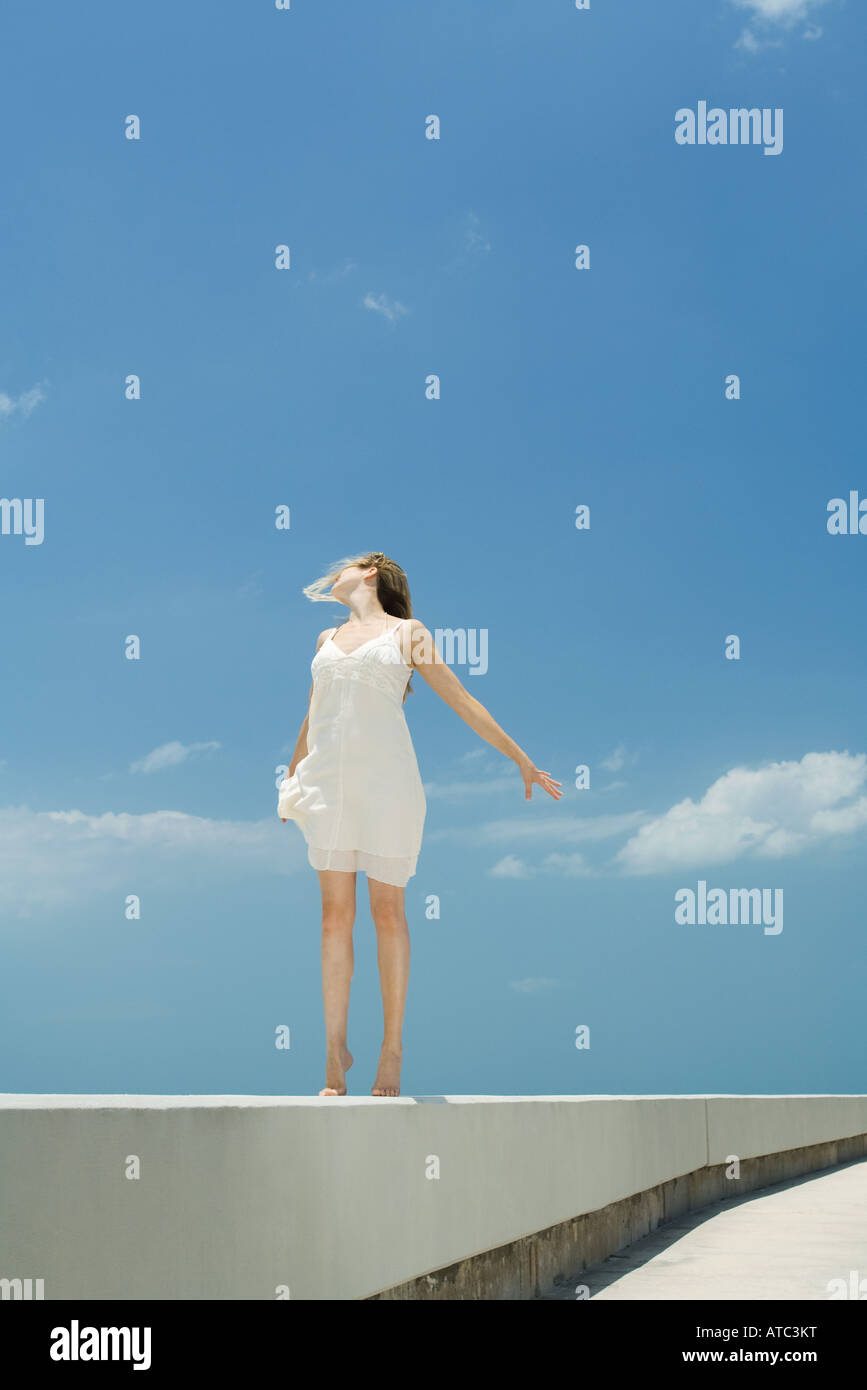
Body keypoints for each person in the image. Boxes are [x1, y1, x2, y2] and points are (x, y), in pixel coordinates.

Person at [278, 551, 562, 1098]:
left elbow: (461, 698)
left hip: (387, 784)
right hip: (329, 786)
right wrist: (290, 782)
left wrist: (519, 757)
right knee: (334, 919)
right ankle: (334, 1052)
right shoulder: (324, 639)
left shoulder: (408, 633)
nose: (335, 571)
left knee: (388, 914)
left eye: (347, 564)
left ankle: (392, 1048)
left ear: (370, 572)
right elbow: (313, 716)